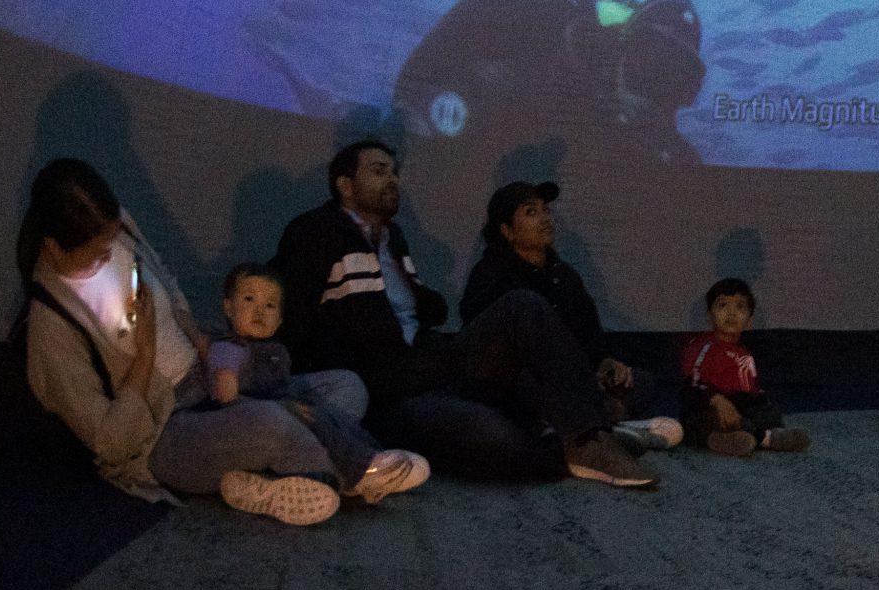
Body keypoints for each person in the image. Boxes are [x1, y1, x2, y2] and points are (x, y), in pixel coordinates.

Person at [274, 139, 655, 487]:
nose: (392, 179)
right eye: (378, 171)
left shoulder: (393, 239)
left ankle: (588, 437)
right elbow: (294, 315)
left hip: (431, 365)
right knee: (495, 439)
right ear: (344, 184)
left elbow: (413, 312)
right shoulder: (315, 231)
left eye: (394, 172)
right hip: (386, 392)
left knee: (524, 308)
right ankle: (586, 434)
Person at [18, 158, 365, 525]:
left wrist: (199, 340)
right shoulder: (51, 327)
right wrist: (145, 354)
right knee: (274, 421)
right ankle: (355, 472)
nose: (109, 255)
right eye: (96, 252)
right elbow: (111, 444)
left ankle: (256, 479)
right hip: (168, 430)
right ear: (54, 247)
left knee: (348, 386)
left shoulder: (116, 225)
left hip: (208, 379)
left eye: (112, 239)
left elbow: (164, 278)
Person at [203, 262, 429, 504]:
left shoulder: (271, 349)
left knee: (324, 414)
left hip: (279, 405)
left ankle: (371, 456)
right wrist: (279, 409)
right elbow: (227, 397)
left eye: (269, 305)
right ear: (228, 307)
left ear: (279, 320)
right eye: (249, 299)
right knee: (313, 418)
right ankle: (361, 471)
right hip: (257, 418)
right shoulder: (231, 347)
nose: (260, 311)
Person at [459, 174, 652, 424]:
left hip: (576, 381)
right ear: (507, 231)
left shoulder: (564, 275)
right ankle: (596, 423)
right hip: (522, 382)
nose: (545, 219)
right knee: (527, 391)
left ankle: (597, 419)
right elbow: (487, 350)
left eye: (546, 210)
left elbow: (589, 335)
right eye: (531, 212)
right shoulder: (491, 275)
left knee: (640, 381)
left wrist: (604, 363)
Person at [678, 277, 809, 457]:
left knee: (770, 414)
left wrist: (760, 404)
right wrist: (717, 400)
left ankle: (740, 437)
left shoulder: (745, 354)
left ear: (749, 320)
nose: (731, 313)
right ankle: (763, 438)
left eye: (740, 307)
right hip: (709, 406)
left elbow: (751, 392)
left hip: (739, 410)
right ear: (709, 315)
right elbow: (690, 386)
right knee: (701, 421)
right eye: (723, 305)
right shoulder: (702, 346)